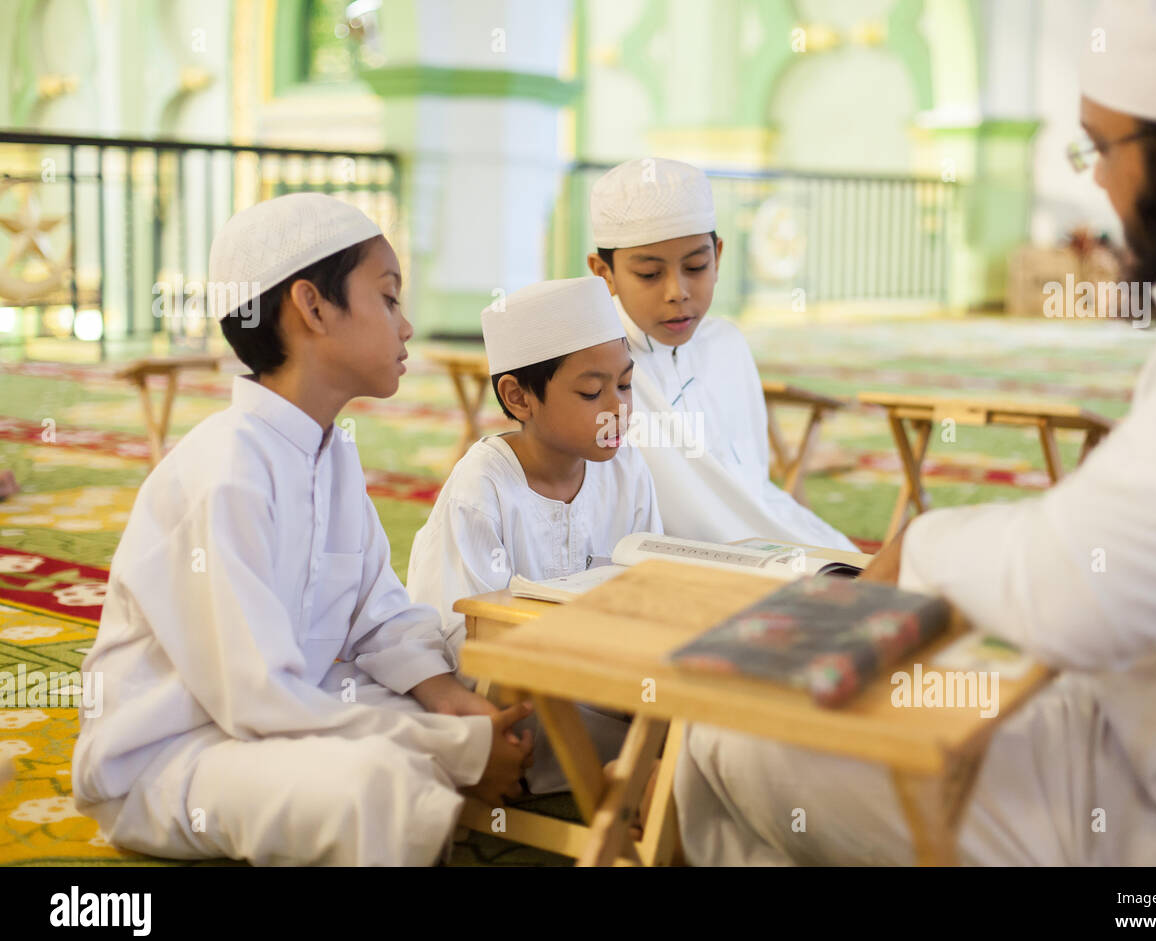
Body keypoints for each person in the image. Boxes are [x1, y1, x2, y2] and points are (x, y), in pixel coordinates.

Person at [673, 0, 1156, 866]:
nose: (1097, 183)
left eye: (1100, 149)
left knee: (740, 731)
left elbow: (1077, 594)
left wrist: (921, 547)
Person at [73, 192, 533, 866]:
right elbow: (255, 700)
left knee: (485, 688)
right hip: (186, 753)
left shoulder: (329, 449)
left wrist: (450, 703)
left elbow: (380, 610)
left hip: (299, 710)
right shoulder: (225, 472)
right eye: (388, 298)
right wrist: (455, 746)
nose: (406, 327)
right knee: (371, 783)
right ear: (313, 307)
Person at [407, 276, 661, 793]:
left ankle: (650, 765)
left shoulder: (628, 472)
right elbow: (463, 640)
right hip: (512, 691)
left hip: (605, 672)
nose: (617, 406)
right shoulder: (482, 485)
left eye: (626, 384)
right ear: (518, 397)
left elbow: (648, 588)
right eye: (592, 391)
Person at [587, 158, 856, 551]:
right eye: (649, 274)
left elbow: (752, 483)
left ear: (718, 256)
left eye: (696, 266)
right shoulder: (598, 368)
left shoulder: (726, 344)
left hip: (763, 531)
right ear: (603, 273)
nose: (677, 291)